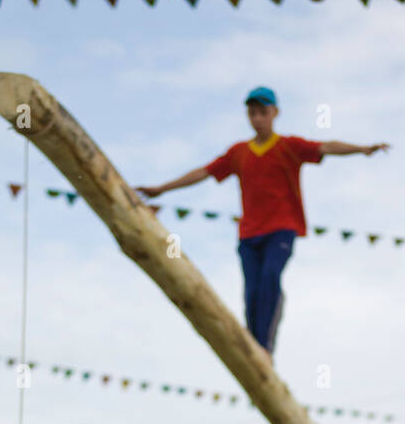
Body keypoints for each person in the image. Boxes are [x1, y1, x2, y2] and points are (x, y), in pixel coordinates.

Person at [136, 87, 389, 356]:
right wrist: (162, 188)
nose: (257, 118)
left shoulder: (288, 146)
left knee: (270, 277)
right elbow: (205, 172)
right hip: (248, 235)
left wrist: (361, 149)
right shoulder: (239, 152)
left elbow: (325, 146)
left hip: (282, 229)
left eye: (263, 113)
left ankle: (266, 347)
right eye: (252, 113)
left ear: (275, 113)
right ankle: (254, 346)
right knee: (252, 292)